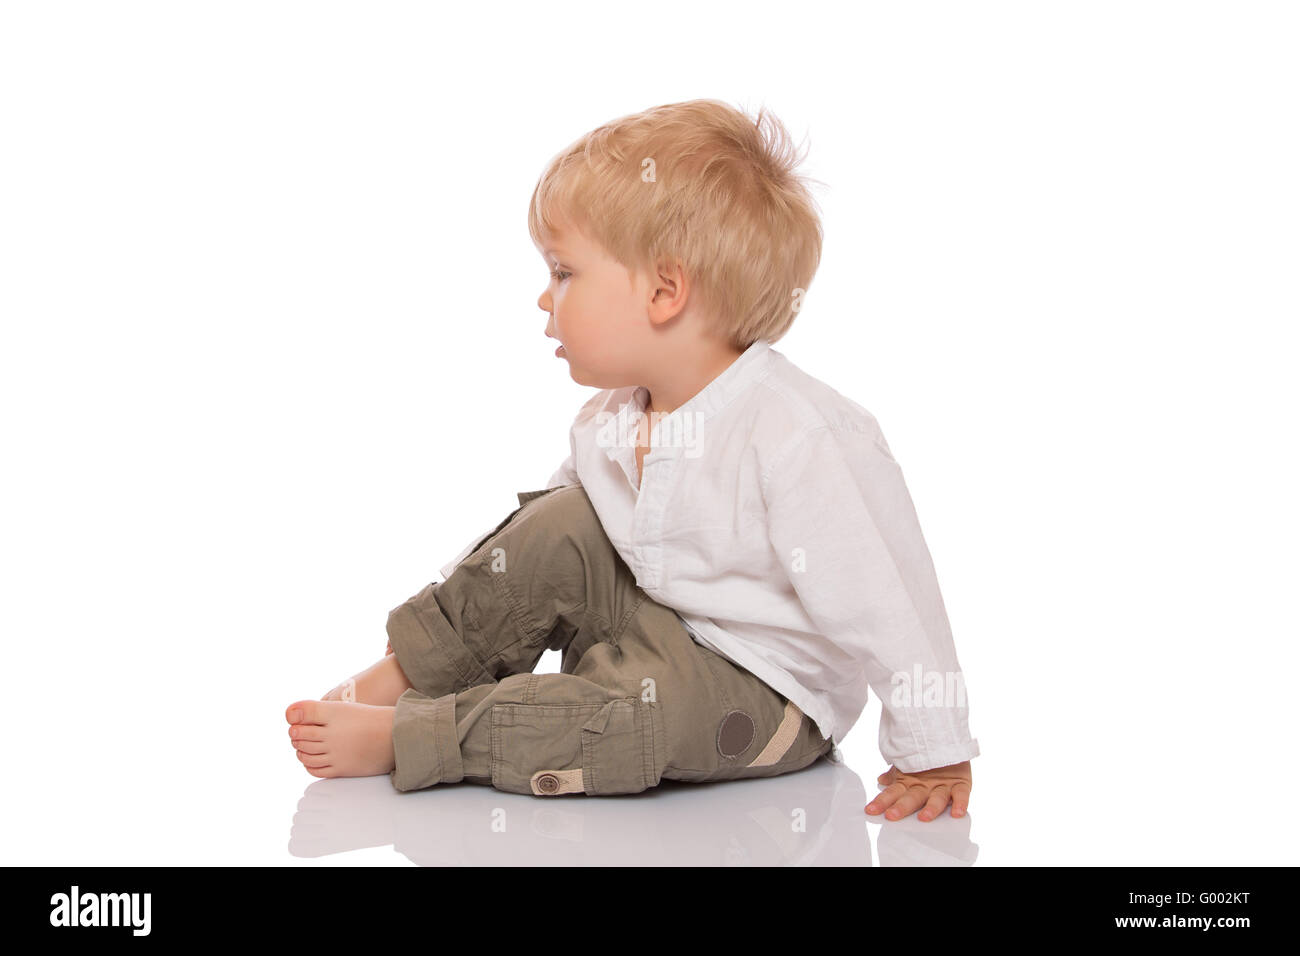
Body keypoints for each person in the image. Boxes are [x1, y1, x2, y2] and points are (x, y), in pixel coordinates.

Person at [285, 99, 977, 821]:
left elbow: (892, 599)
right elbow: (530, 556)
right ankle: (410, 675)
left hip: (760, 690)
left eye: (564, 273)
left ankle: (420, 737)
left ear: (664, 291)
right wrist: (471, 614)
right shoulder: (614, 413)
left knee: (627, 719)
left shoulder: (799, 435)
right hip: (650, 626)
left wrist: (936, 749)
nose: (543, 299)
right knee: (559, 522)